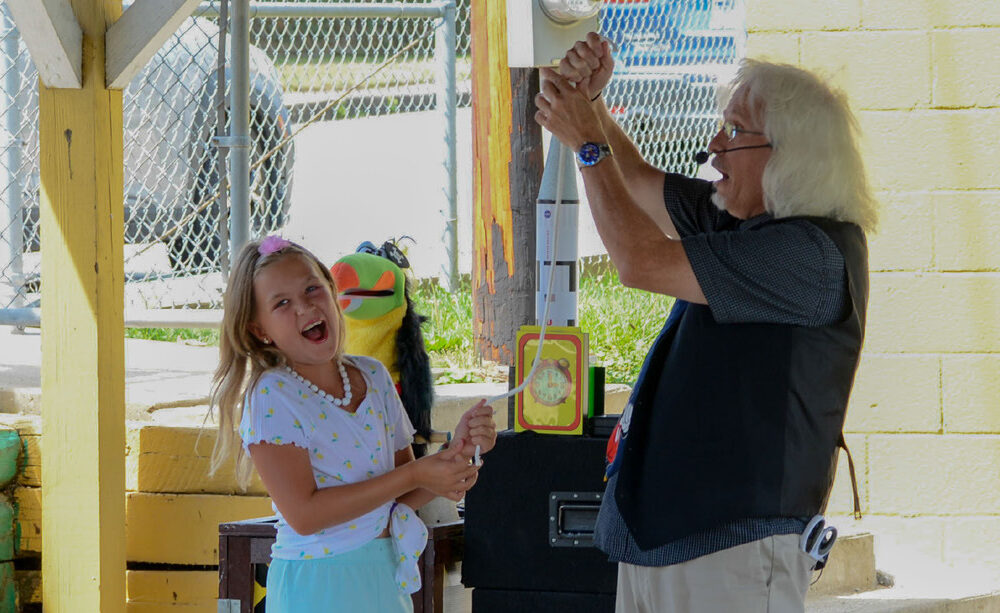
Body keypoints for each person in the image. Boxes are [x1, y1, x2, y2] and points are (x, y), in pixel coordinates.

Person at [534, 33, 878, 613]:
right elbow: (638, 184)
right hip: (662, 543)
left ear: (791, 153)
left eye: (735, 131)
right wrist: (591, 105)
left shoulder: (811, 255)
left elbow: (638, 259)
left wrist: (587, 143)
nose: (713, 146)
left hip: (733, 554)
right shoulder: (743, 222)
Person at [209, 236, 497, 612]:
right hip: (317, 587)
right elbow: (305, 515)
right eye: (282, 303)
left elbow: (400, 498)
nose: (305, 306)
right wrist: (417, 475)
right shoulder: (272, 395)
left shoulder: (374, 378)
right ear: (260, 330)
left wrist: (456, 454)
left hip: (382, 577)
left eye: (312, 288)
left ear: (332, 292)